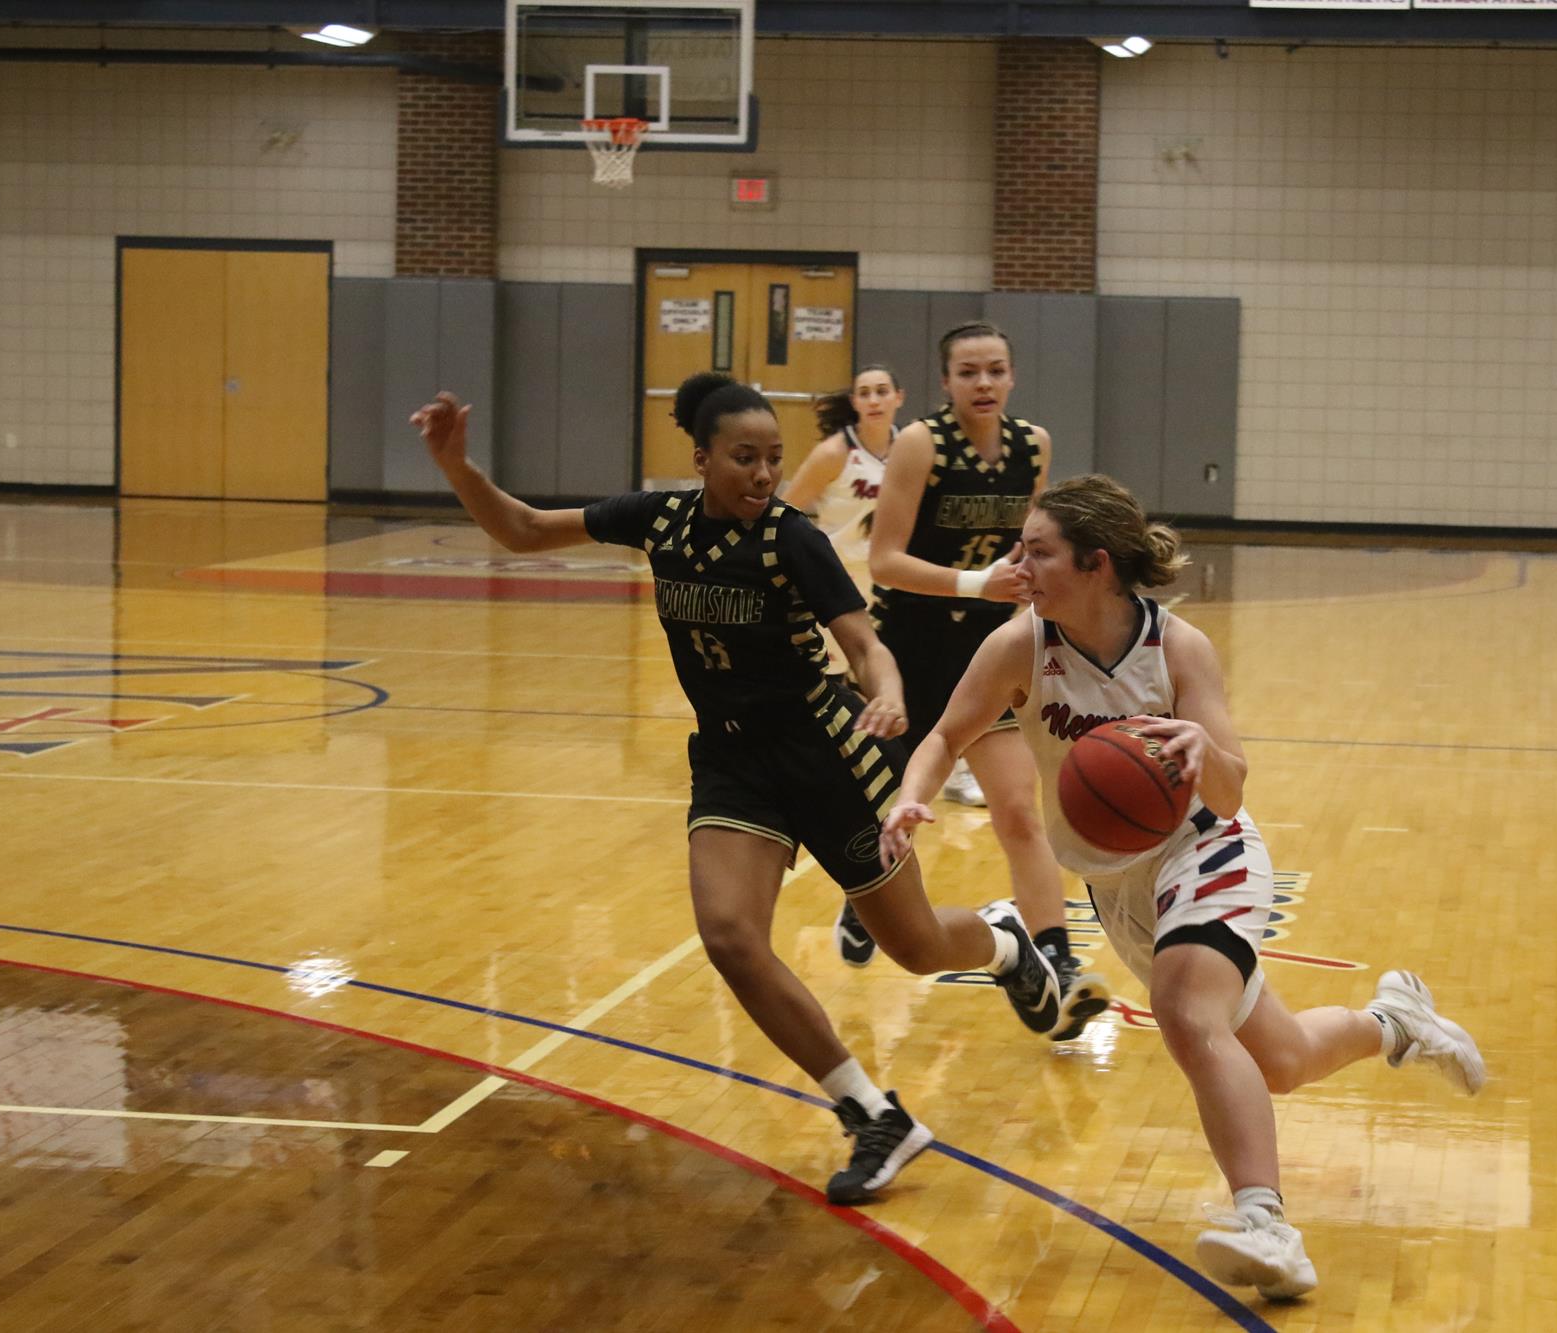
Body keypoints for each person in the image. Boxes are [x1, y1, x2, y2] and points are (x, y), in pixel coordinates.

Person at [409, 376, 1064, 1207]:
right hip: (732, 762)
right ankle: (871, 1113)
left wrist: (889, 691)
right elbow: (523, 528)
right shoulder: (658, 519)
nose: (762, 473)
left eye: (773, 459)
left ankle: (1006, 943)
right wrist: (458, 465)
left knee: (919, 947)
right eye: (744, 457)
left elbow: (862, 644)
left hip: (828, 754)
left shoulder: (795, 540)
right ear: (702, 458)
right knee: (728, 933)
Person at [879, 474, 1488, 1299]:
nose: (1018, 563)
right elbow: (946, 734)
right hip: (1118, 883)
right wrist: (911, 793)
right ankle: (1394, 1022)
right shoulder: (1019, 644)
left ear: (1095, 563)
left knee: (1186, 1011)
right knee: (1280, 1061)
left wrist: (1205, 746)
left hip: (1208, 849)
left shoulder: (1180, 649)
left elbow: (1233, 791)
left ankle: (1268, 1224)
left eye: (1039, 550)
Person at [868, 321, 1110, 1041]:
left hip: (983, 650)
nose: (983, 383)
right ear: (946, 381)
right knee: (877, 817)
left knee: (1019, 811)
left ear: (1011, 377)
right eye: (968, 372)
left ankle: (1059, 967)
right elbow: (883, 559)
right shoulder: (919, 445)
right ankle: (866, 905)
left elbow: (1024, 548)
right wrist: (978, 581)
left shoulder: (1032, 445)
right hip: (907, 652)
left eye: (995, 370)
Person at [783, 364, 986, 969]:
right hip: (837, 602)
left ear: (899, 398)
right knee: (856, 725)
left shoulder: (913, 452)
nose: (873, 400)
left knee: (912, 708)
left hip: (894, 597)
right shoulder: (831, 454)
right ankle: (864, 846)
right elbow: (785, 514)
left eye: (883, 391)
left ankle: (937, 773)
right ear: (855, 402)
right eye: (863, 392)